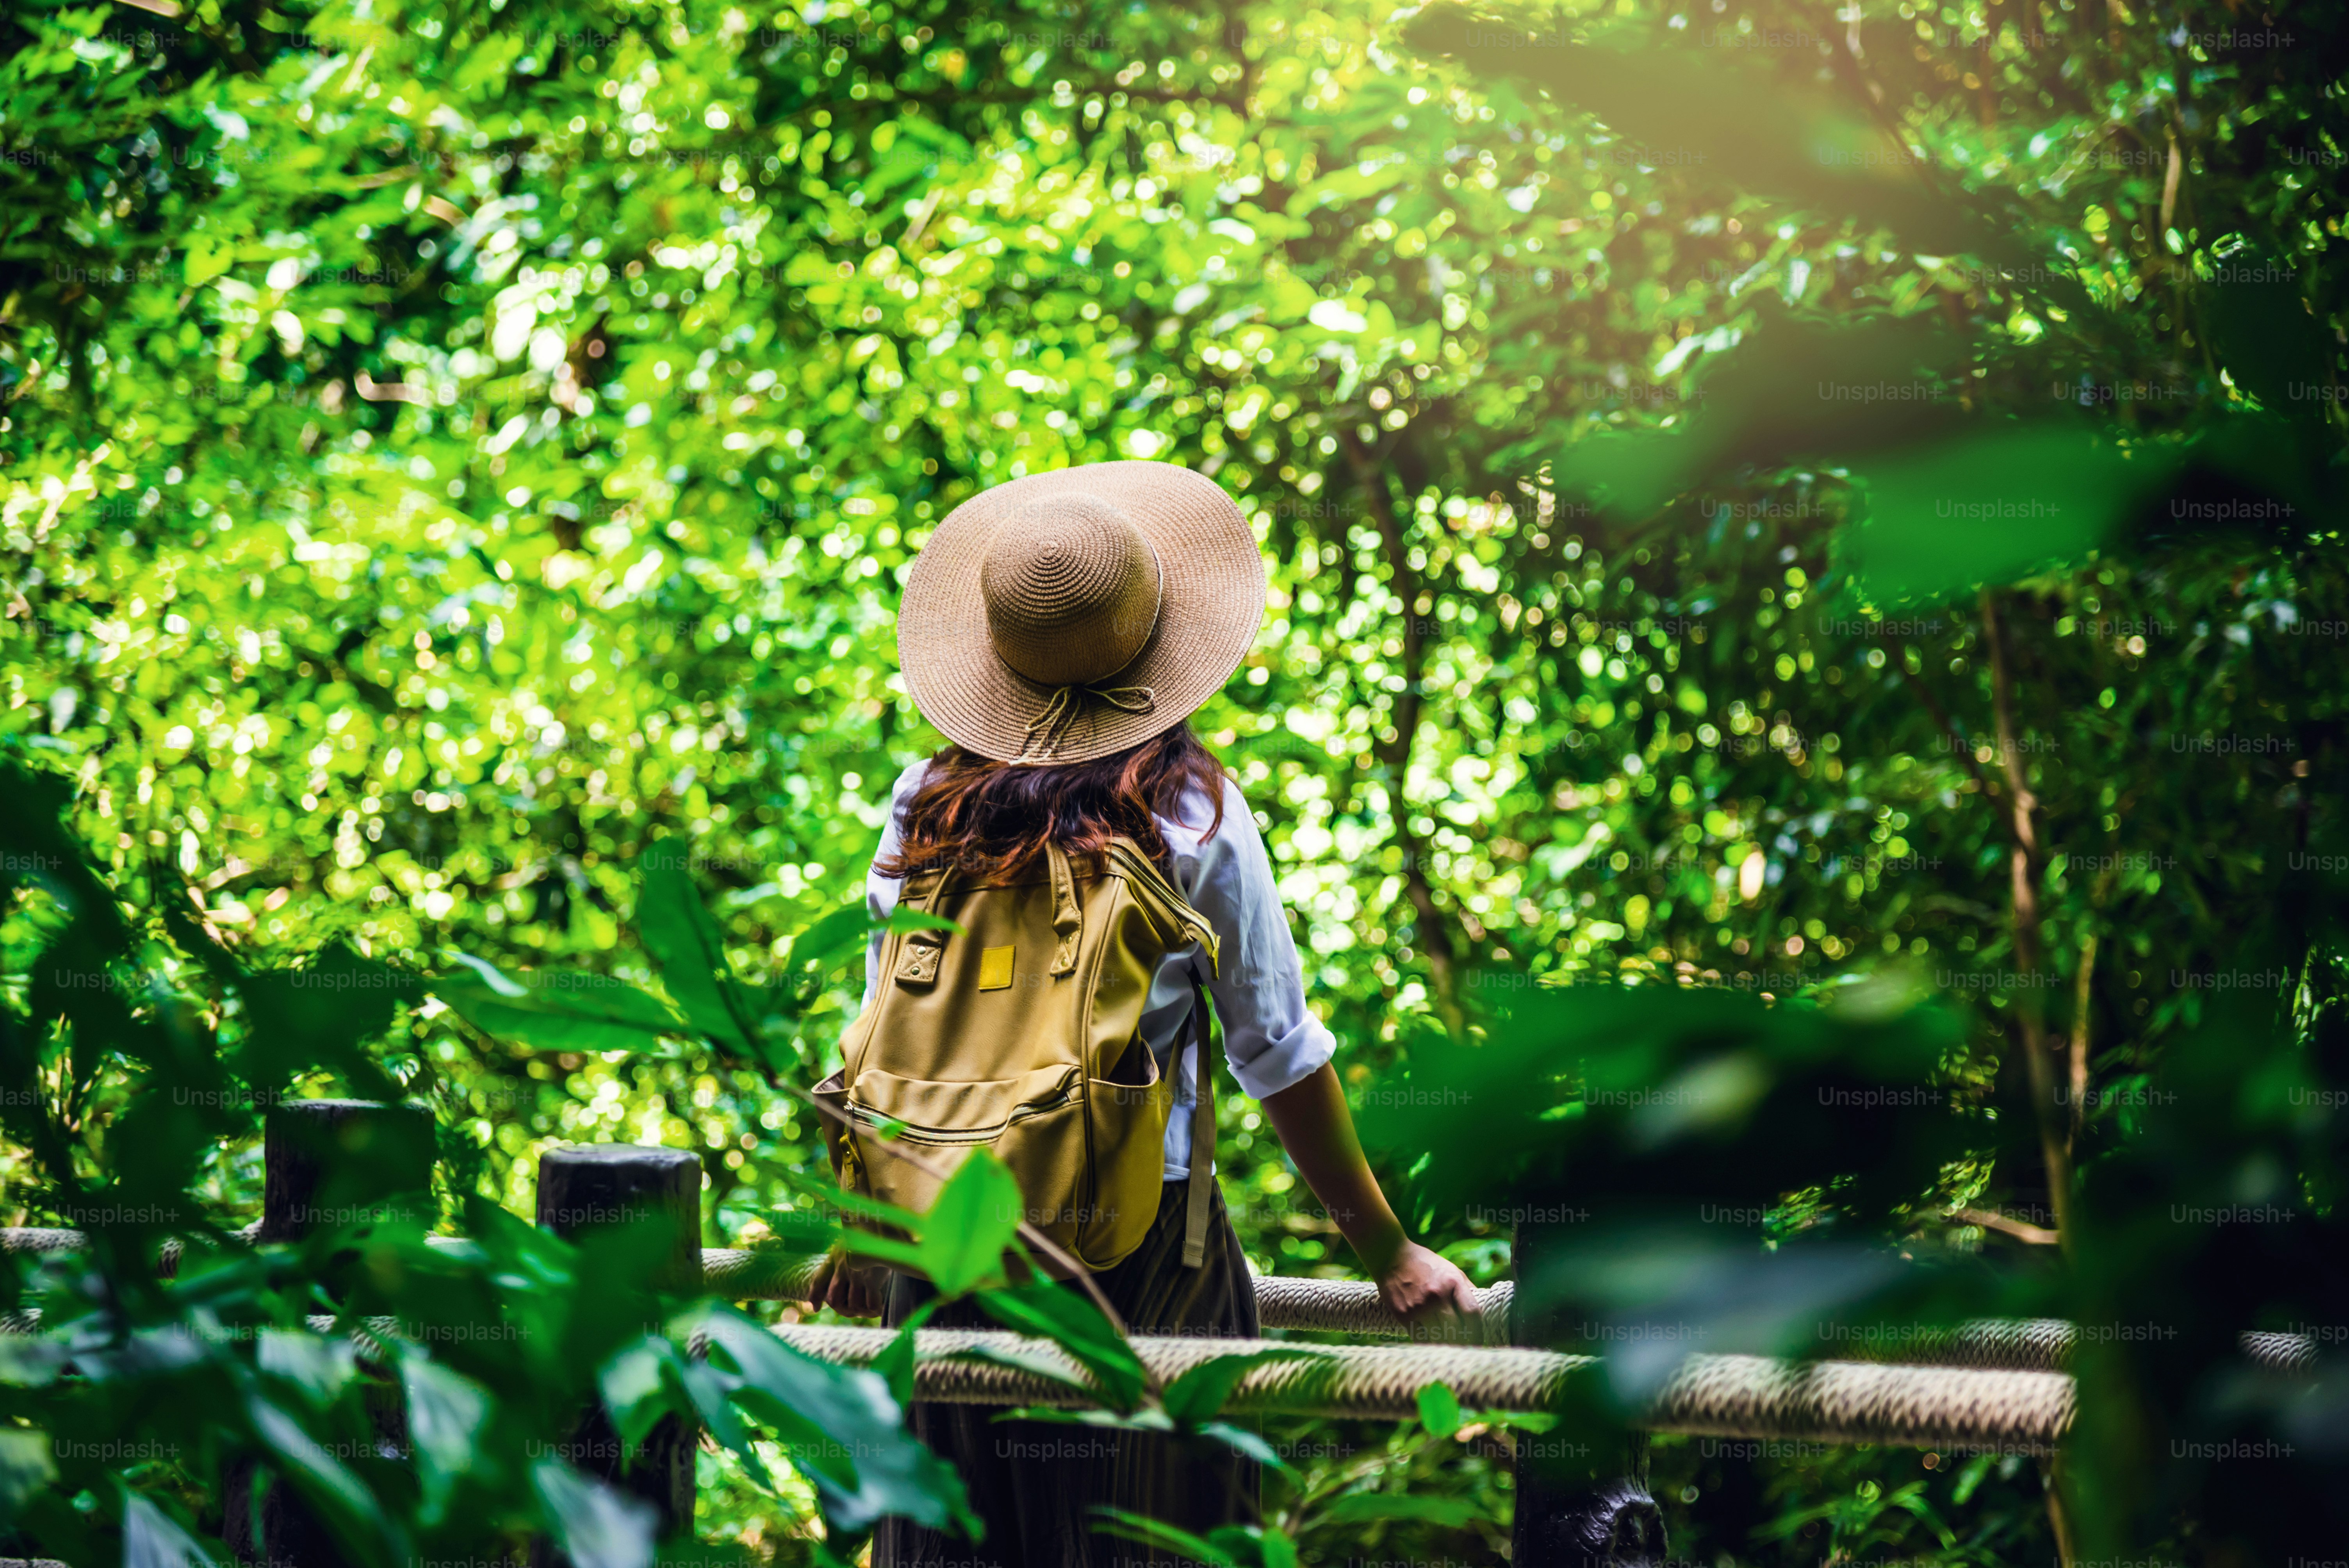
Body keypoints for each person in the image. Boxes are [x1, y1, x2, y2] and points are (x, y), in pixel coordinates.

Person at [807, 460, 1478, 1566]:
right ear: (1157, 643)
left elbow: (893, 1025)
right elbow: (1278, 1053)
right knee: (1149, 1536)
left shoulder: (921, 807)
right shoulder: (1191, 813)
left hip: (942, 1241)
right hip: (1133, 1246)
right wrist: (1389, 1251)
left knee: (952, 1540)